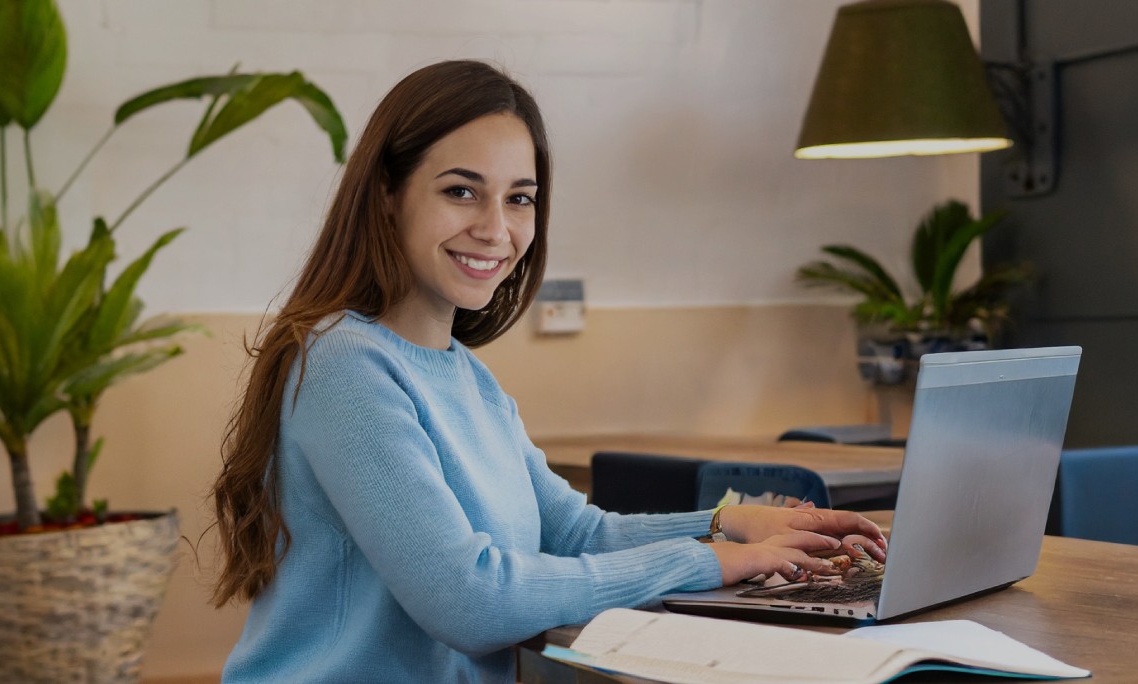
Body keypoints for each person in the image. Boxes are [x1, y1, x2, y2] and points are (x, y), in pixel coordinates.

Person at [208, 59, 886, 683]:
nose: (496, 229)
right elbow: (467, 601)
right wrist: (705, 561)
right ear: (388, 193)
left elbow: (574, 533)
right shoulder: (343, 365)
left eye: (520, 198)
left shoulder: (468, 379)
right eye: (461, 191)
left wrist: (731, 527)